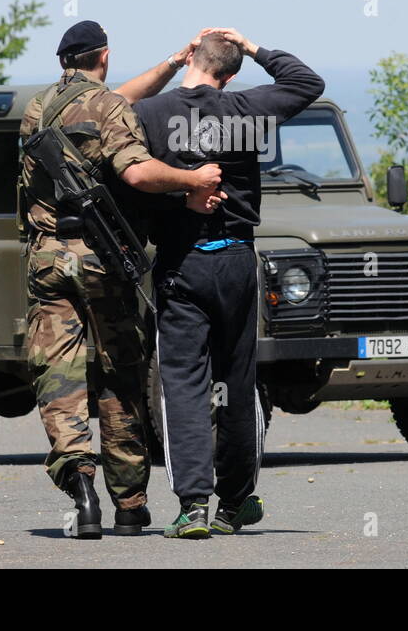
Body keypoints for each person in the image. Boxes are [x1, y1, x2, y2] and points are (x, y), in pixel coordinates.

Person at [19, 20, 223, 539]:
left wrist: (172, 63)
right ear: (104, 58)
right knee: (118, 374)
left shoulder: (38, 108)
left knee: (58, 378)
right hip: (99, 259)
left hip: (46, 259)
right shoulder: (110, 109)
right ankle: (129, 503)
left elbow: (111, 100)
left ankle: (81, 488)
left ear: (64, 61)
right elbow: (136, 172)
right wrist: (190, 181)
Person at [133, 29, 324, 538]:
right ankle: (235, 501)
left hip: (182, 263)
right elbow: (307, 81)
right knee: (238, 382)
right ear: (232, 74)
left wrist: (170, 63)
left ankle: (192, 506)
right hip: (238, 260)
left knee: (183, 385)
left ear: (193, 57)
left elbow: (124, 165)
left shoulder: (151, 114)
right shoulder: (247, 109)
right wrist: (256, 46)